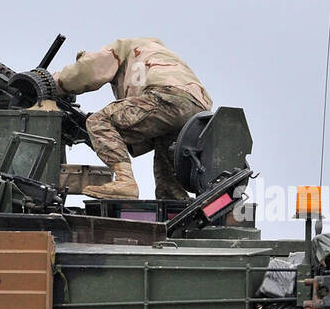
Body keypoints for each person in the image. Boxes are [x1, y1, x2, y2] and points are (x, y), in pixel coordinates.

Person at [55, 38, 213, 201]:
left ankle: (125, 182)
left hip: (166, 97)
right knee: (167, 174)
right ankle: (175, 205)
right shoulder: (157, 54)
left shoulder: (123, 48)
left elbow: (85, 72)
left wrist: (49, 82)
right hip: (197, 110)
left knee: (99, 121)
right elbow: (140, 130)